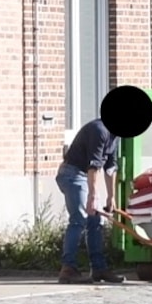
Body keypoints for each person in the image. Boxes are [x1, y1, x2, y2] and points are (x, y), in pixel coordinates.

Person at [56, 117, 126, 284]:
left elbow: (111, 167)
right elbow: (93, 166)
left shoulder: (114, 136)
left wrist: (111, 197)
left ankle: (98, 268)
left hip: (85, 176)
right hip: (72, 174)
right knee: (79, 219)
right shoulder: (99, 130)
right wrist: (92, 196)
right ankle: (68, 269)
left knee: (96, 220)